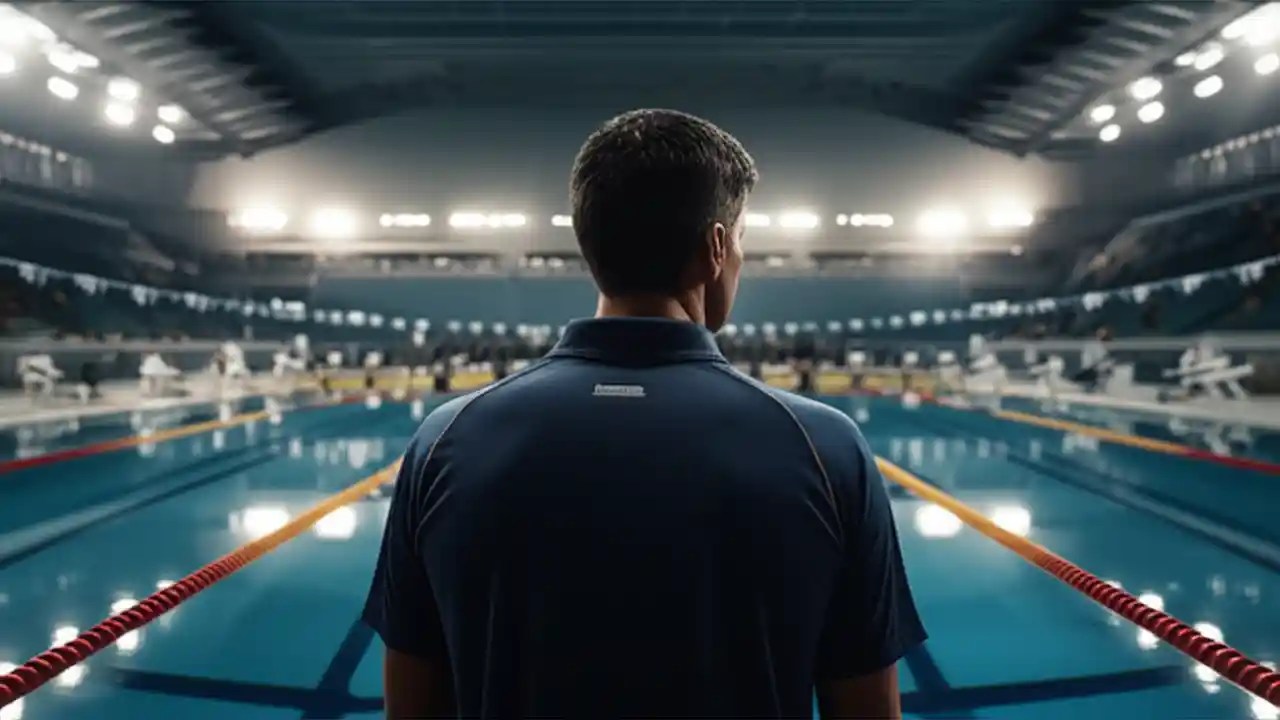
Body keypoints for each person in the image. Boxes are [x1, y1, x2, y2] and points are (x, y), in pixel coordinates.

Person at [363, 109, 926, 719]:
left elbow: (410, 708)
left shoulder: (447, 439)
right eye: (740, 241)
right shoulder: (824, 447)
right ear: (716, 248)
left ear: (589, 241)